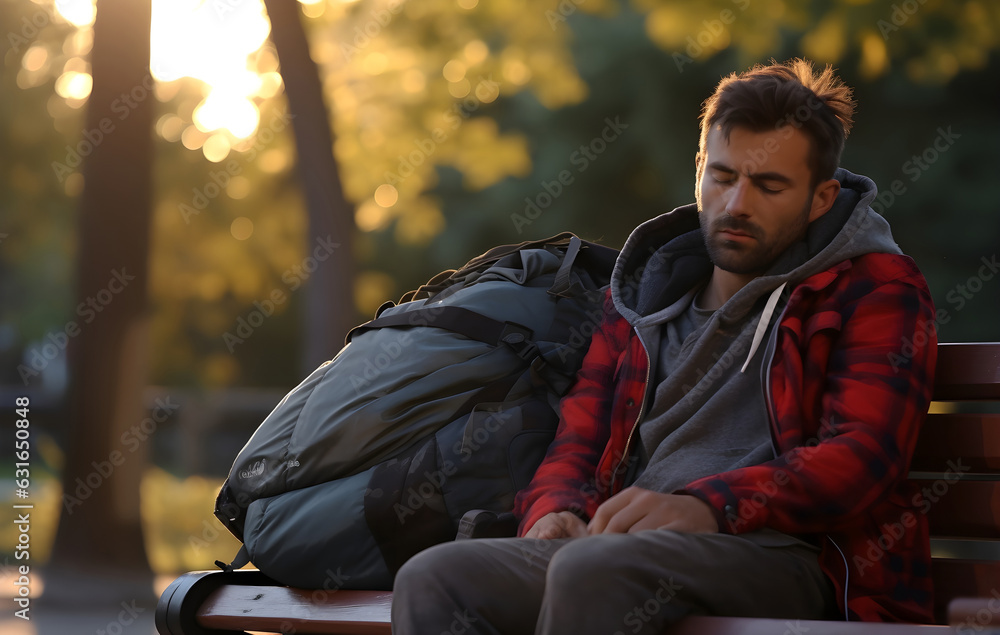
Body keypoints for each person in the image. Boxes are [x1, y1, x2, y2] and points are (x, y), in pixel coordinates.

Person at [391, 58, 938, 634]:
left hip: (790, 556)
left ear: (822, 198)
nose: (736, 205)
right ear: (699, 169)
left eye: (770, 185)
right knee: (436, 576)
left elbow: (862, 455)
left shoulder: (873, 289)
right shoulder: (641, 299)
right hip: (619, 549)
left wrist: (710, 506)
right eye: (723, 177)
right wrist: (553, 511)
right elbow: (581, 435)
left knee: (594, 569)